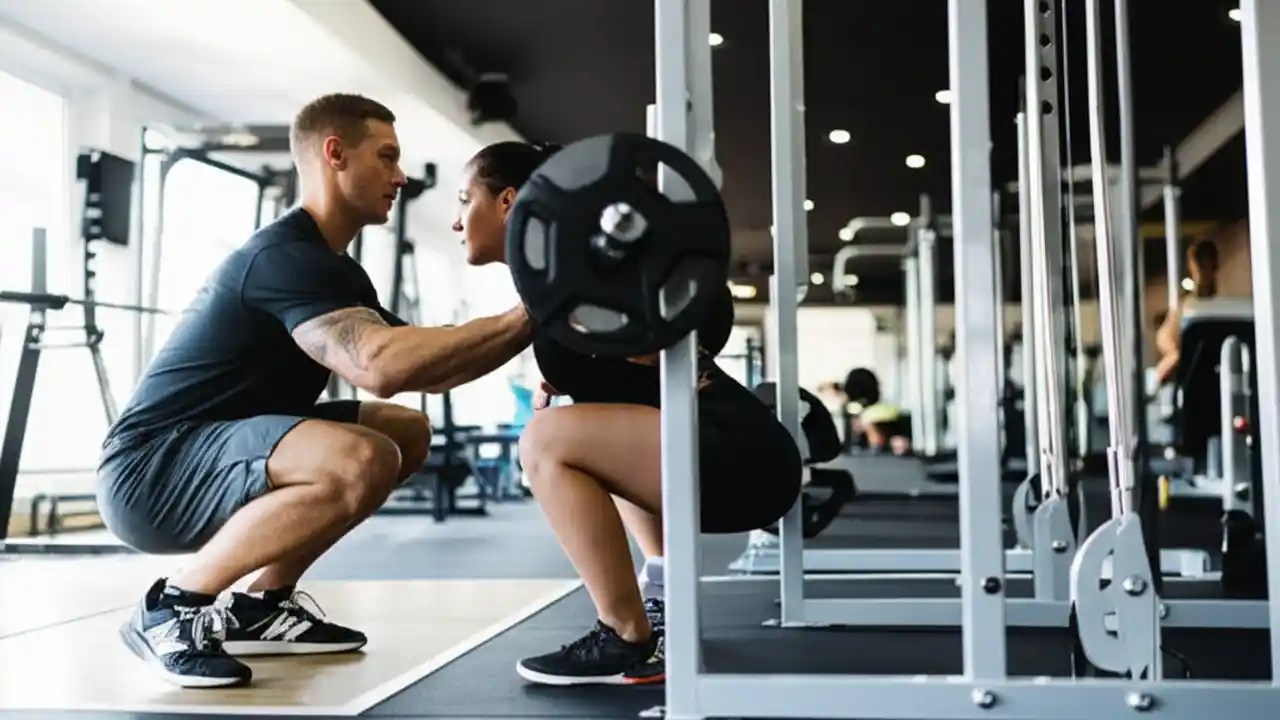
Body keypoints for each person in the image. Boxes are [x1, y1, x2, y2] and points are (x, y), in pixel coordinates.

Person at [97, 94, 533, 688]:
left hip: (218, 451)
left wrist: (537, 321)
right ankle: (172, 606)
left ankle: (262, 605)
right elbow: (378, 367)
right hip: (153, 471)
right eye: (386, 157)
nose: (400, 177)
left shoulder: (336, 269)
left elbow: (429, 370)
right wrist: (529, 313)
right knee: (362, 456)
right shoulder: (283, 257)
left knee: (404, 431)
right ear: (335, 153)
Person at [451, 141, 804, 686]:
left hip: (738, 454)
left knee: (545, 440)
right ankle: (661, 600)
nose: (455, 222)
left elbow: (711, 310)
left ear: (508, 200)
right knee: (579, 431)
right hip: (707, 457)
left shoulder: (587, 270)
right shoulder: (550, 289)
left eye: (463, 199)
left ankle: (624, 635)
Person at [1154, 239, 1220, 385]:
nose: (1202, 272)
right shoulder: (1185, 308)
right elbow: (1163, 337)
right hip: (1190, 382)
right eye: (1199, 266)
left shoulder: (1222, 307)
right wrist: (1174, 354)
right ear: (1192, 267)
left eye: (1206, 266)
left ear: (1215, 266)